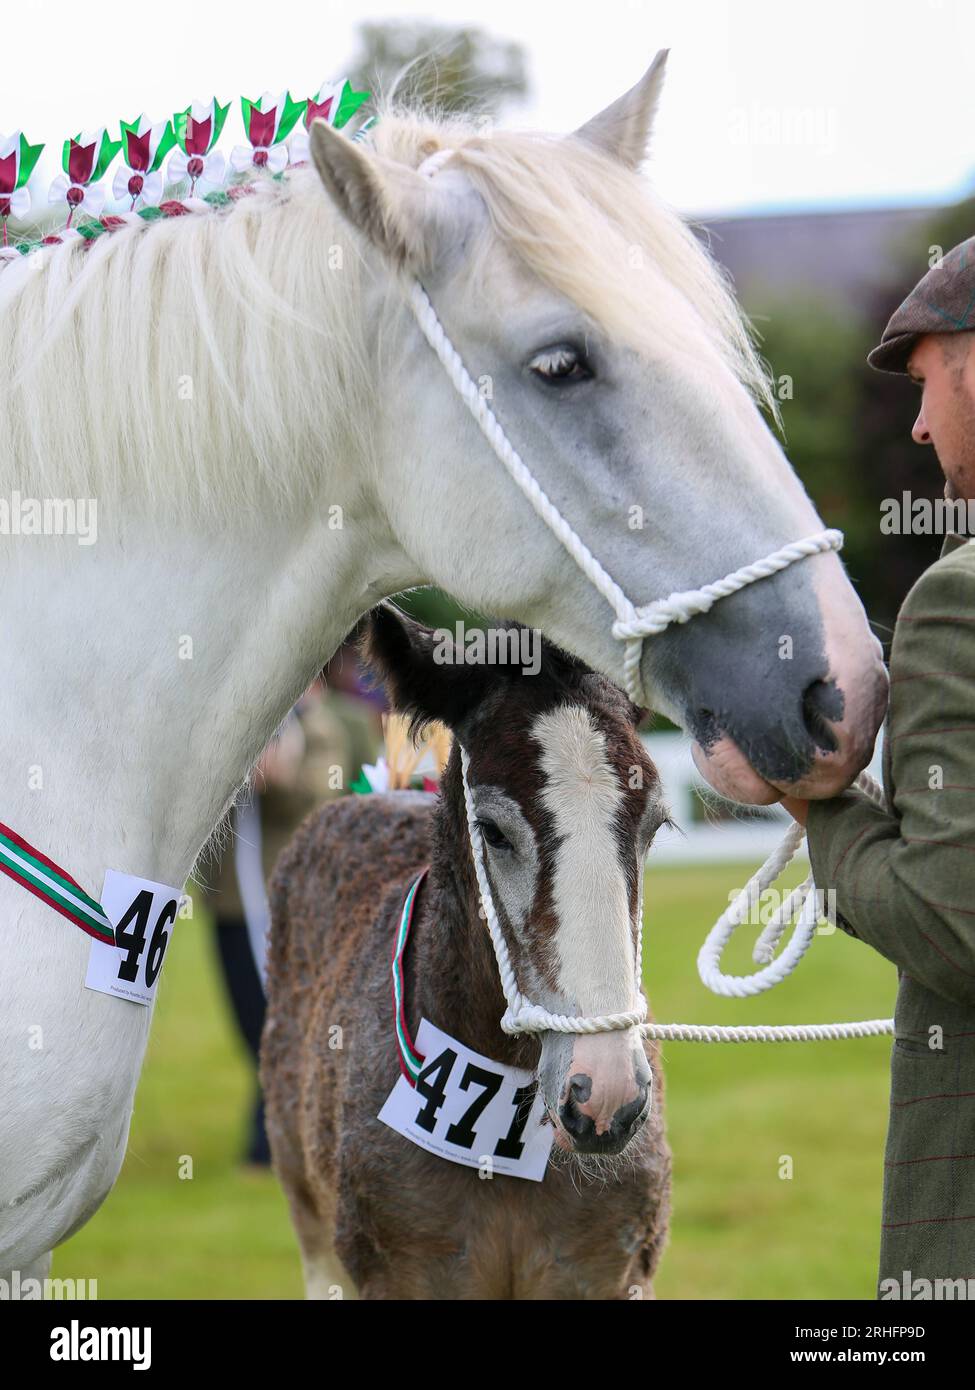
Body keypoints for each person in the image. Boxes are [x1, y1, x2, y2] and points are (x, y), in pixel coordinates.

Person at [780, 236, 975, 1293]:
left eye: (926, 380)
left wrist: (818, 807)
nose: (917, 422)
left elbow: (954, 917)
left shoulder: (959, 597)